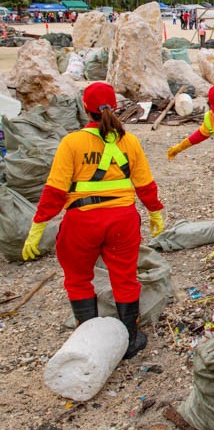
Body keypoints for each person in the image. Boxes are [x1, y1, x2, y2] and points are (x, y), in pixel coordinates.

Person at [22, 82, 165, 360]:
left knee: (78, 279)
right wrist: (154, 211)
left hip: (81, 222)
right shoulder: (129, 141)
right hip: (122, 220)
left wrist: (38, 225)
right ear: (115, 107)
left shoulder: (72, 143)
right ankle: (129, 339)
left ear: (85, 110)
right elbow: (145, 183)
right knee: (124, 278)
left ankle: (88, 339)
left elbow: (55, 191)